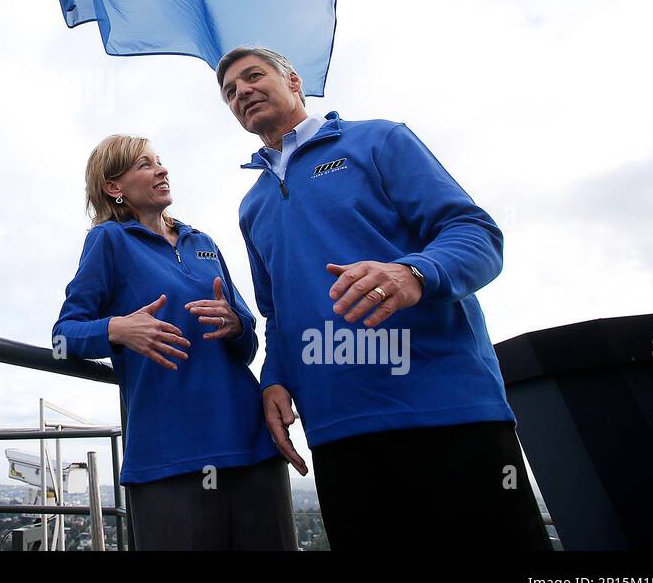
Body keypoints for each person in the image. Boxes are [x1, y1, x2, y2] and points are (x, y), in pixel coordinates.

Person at [217, 45, 552, 551]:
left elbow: (477, 234)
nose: (241, 91)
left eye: (253, 76)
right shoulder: (252, 204)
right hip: (337, 432)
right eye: (229, 92)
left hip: (447, 412)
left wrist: (413, 272)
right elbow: (276, 315)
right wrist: (276, 380)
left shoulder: (378, 140)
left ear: (293, 80)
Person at [52, 134, 295, 550]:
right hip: (168, 456)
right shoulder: (109, 241)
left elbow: (248, 343)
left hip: (251, 445)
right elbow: (63, 337)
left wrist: (236, 325)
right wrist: (117, 329)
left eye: (160, 161)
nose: (162, 170)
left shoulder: (203, 242)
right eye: (145, 165)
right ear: (114, 187)